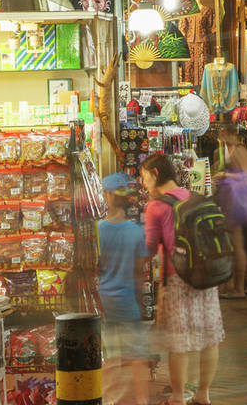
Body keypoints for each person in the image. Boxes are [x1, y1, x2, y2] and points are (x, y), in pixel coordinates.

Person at [142, 154, 224, 405]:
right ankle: (203, 394)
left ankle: (177, 397)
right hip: (207, 277)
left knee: (180, 341)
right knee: (208, 336)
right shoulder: (195, 197)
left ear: (156, 173)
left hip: (177, 279)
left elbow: (148, 248)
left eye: (144, 177)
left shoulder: (156, 207)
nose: (143, 183)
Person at [97, 172, 150, 405]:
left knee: (109, 356)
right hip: (128, 302)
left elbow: (94, 268)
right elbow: (139, 274)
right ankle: (141, 400)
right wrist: (141, 305)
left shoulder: (97, 231)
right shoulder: (136, 232)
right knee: (138, 355)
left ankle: (111, 400)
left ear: (107, 196)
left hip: (104, 301)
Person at [215, 126, 247, 299]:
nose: (221, 138)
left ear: (231, 135)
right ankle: (232, 285)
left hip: (237, 203)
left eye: (223, 135)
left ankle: (238, 288)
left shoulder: (240, 151)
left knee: (237, 245)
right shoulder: (230, 150)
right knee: (232, 245)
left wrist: (226, 176)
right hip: (232, 201)